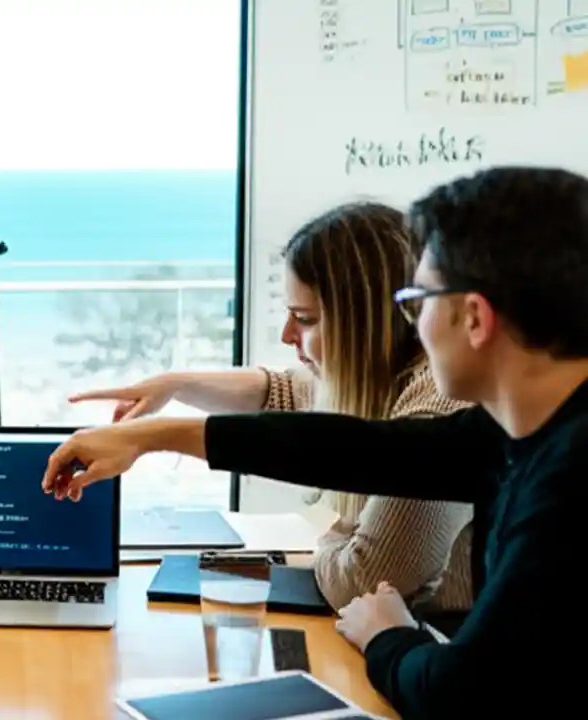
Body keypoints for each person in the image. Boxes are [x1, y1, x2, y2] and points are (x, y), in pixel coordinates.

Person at [41, 166, 588, 718]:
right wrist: (156, 433)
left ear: (474, 318)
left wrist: (388, 636)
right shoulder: (516, 430)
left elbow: (465, 691)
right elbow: (365, 449)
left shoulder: (565, 486)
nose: (415, 327)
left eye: (417, 303)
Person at [68, 202, 473, 619]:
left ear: (364, 324)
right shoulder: (390, 378)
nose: (286, 335)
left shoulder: (439, 407)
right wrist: (175, 385)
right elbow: (284, 392)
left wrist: (332, 533)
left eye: (305, 319)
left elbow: (360, 581)